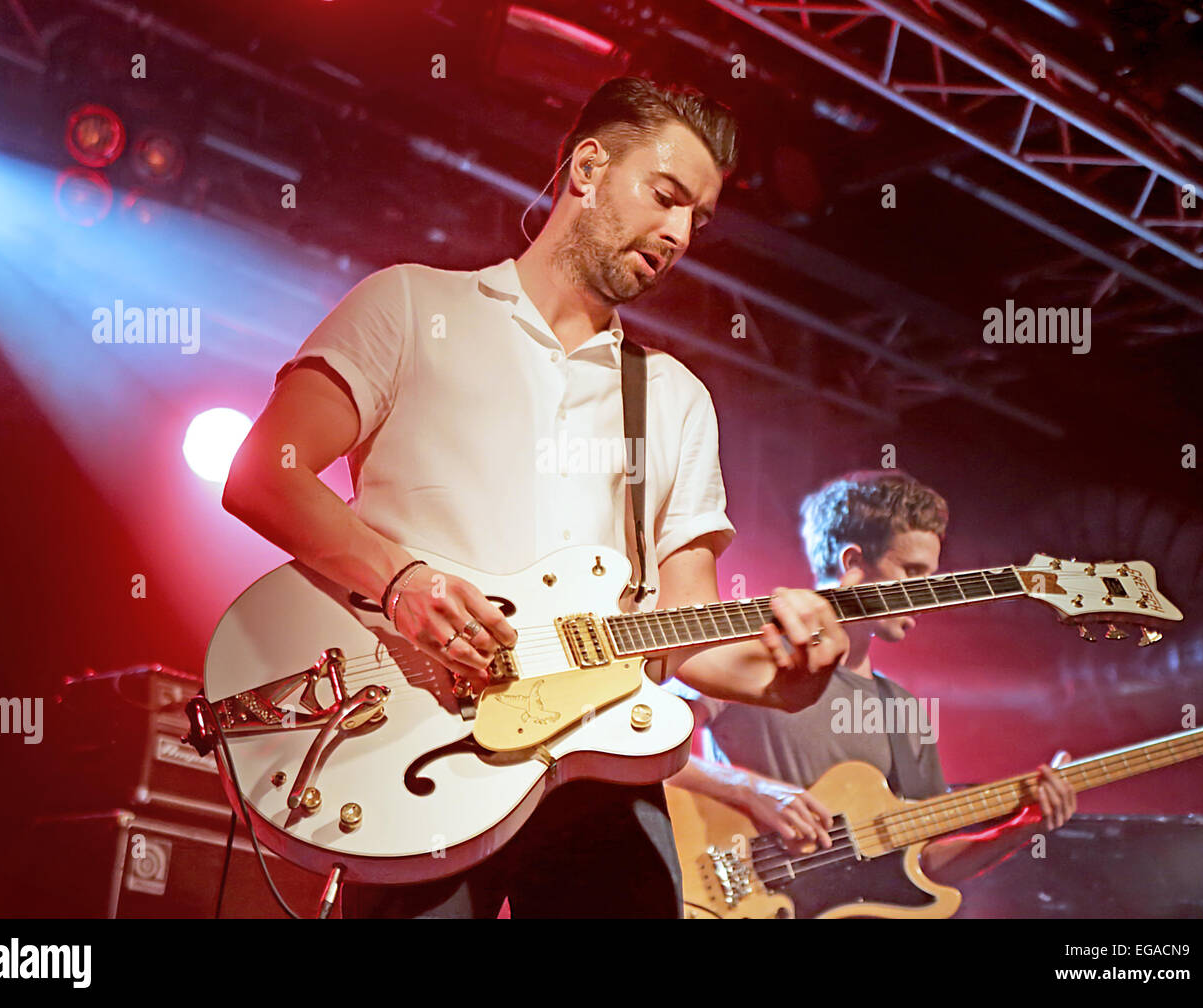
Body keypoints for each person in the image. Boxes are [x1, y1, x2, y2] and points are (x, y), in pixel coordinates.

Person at [222, 77, 855, 918]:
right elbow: (264, 472)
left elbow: (683, 635)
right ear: (588, 167)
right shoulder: (411, 305)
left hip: (596, 772)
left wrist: (799, 675)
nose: (677, 234)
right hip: (418, 749)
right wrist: (404, 583)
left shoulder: (673, 397)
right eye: (665, 197)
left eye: (696, 220)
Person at [667, 470, 1077, 914]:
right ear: (852, 563)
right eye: (912, 572)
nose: (927, 594)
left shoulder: (900, 708)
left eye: (931, 577)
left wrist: (1020, 826)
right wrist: (748, 790)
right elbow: (643, 754)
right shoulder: (759, 657)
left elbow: (926, 863)